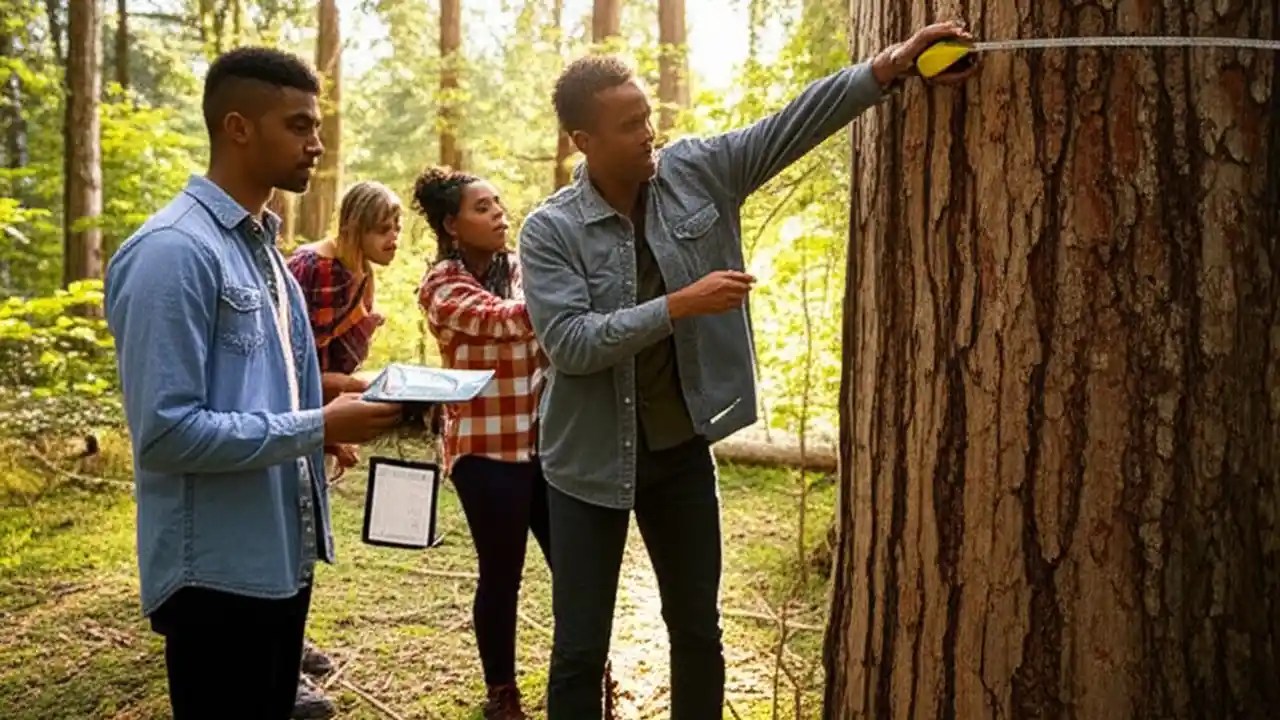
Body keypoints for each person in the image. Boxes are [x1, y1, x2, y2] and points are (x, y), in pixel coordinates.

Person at [517, 21, 979, 719]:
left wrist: (888, 67)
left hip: (679, 458)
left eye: (649, 116)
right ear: (584, 141)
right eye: (629, 124)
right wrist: (679, 304)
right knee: (581, 649)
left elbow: (790, 125)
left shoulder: (698, 170)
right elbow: (571, 344)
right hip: (584, 467)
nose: (649, 132)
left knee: (698, 632)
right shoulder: (549, 230)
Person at [104, 47, 403, 719]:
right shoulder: (172, 252)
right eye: (298, 126)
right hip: (214, 577)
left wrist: (330, 417)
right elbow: (165, 433)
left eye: (317, 126)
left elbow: (265, 394)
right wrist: (318, 426)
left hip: (279, 559)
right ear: (238, 127)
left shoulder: (264, 252)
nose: (317, 144)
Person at [414, 166, 551, 720]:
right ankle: (502, 692)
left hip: (544, 445)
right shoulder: (441, 286)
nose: (499, 214)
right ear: (452, 224)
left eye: (499, 204)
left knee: (576, 565)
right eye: (482, 207)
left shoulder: (521, 269)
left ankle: (583, 674)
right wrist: (568, 298)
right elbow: (504, 322)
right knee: (503, 572)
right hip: (485, 450)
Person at [284, 179, 403, 718]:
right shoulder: (313, 269)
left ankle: (290, 642)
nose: (394, 237)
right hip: (285, 422)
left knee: (306, 541)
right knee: (285, 541)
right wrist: (335, 417)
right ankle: (279, 669)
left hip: (321, 417)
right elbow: (294, 365)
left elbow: (335, 363)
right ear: (354, 226)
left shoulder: (362, 277)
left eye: (398, 226)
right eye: (384, 227)